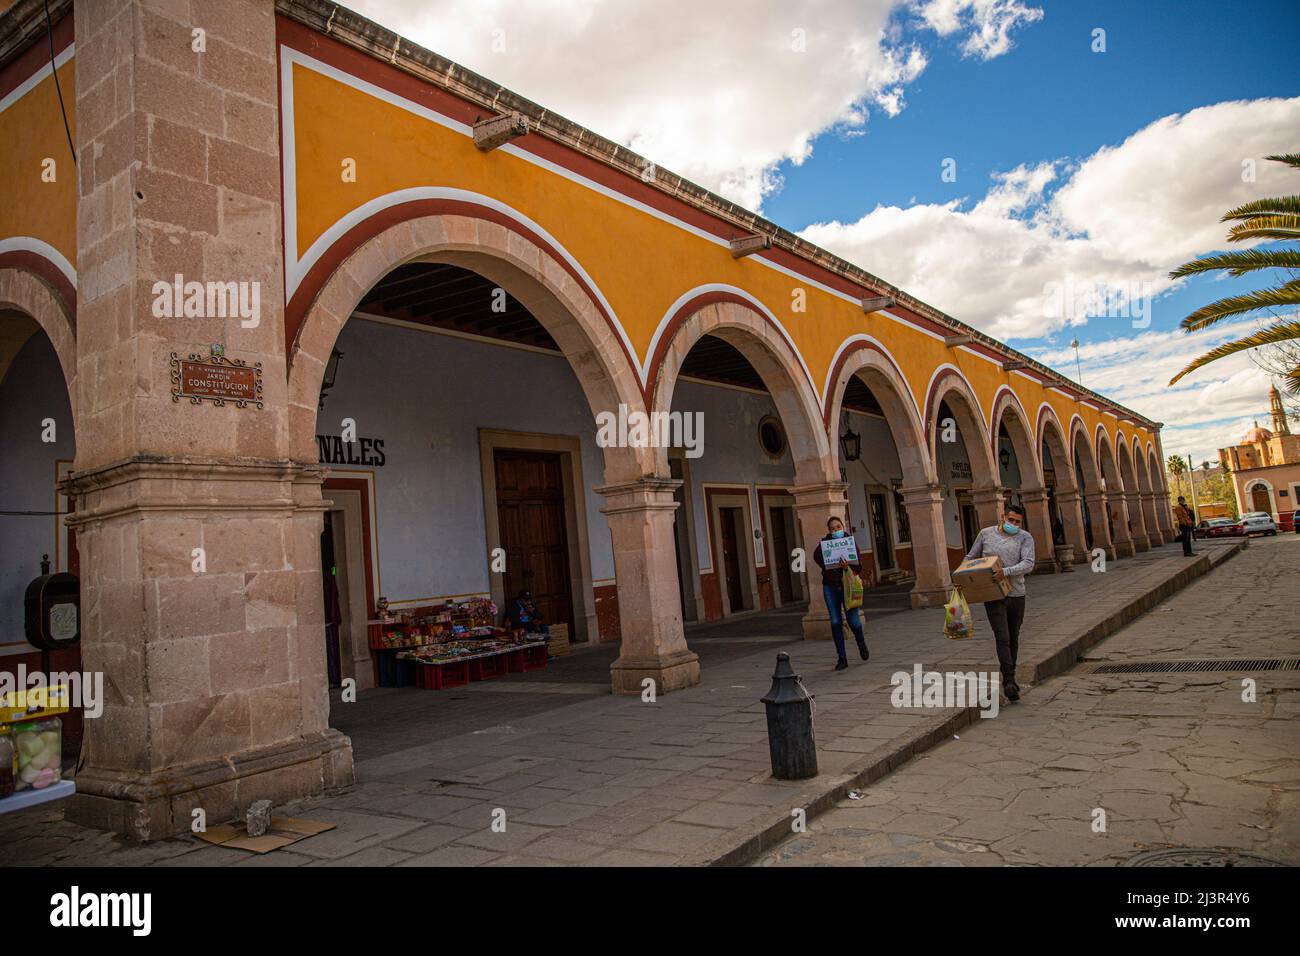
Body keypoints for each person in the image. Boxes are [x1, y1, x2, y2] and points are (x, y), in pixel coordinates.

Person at [964, 503, 1035, 701]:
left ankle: (1009, 676)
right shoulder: (985, 534)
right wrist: (962, 576)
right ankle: (1010, 680)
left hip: (1017, 594)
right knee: (1002, 636)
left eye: (1018, 522)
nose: (1014, 524)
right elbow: (971, 556)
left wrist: (1006, 572)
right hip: (993, 594)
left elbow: (1028, 563)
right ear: (1002, 517)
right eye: (1010, 520)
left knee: (1013, 636)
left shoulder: (1025, 537)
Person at [812, 516, 869, 671]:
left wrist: (846, 567)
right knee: (835, 621)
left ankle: (861, 643)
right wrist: (827, 565)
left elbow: (858, 566)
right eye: (832, 529)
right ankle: (842, 658)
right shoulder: (824, 544)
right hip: (830, 587)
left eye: (838, 527)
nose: (835, 530)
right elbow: (816, 556)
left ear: (843, 527)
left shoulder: (850, 542)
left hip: (848, 586)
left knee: (854, 622)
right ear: (829, 531)